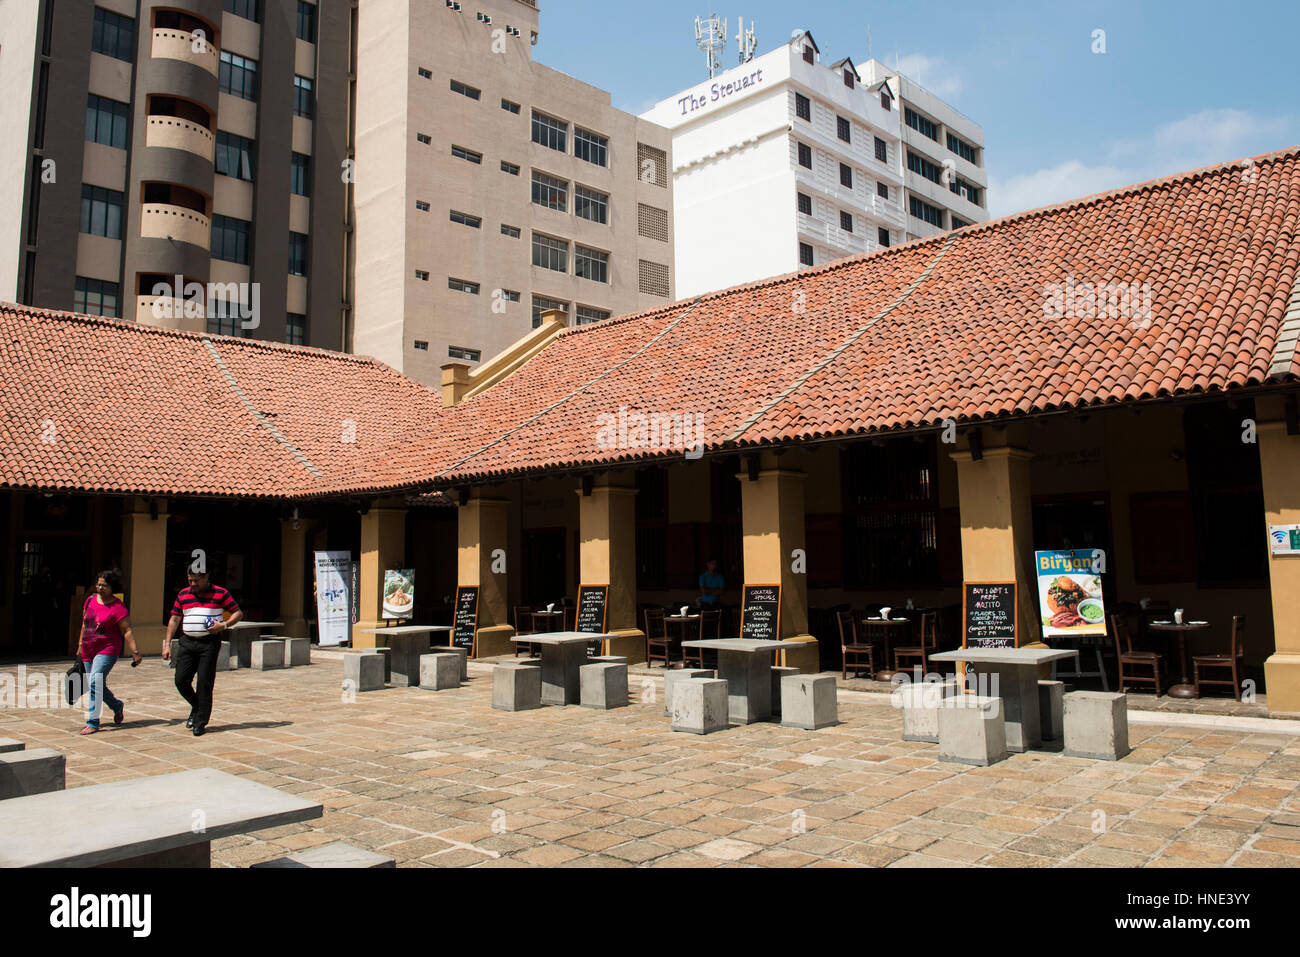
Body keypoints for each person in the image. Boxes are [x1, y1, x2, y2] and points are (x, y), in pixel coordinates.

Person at [163, 569, 243, 736]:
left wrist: (224, 626)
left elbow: (238, 613)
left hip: (209, 643)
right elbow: (175, 618)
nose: (193, 584)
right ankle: (197, 706)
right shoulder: (184, 594)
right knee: (181, 680)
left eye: (196, 580)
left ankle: (200, 721)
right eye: (190, 580)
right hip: (187, 642)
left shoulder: (221, 593)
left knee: (204, 683)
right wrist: (167, 644)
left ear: (206, 577)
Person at [76, 570, 141, 735]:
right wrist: (79, 644)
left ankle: (93, 721)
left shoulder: (118, 607)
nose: (100, 588)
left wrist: (135, 650)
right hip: (88, 648)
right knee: (96, 685)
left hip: (108, 649)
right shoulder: (90, 600)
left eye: (104, 585)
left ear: (113, 587)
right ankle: (116, 705)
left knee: (94, 682)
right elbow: (85, 624)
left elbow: (126, 630)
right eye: (98, 584)